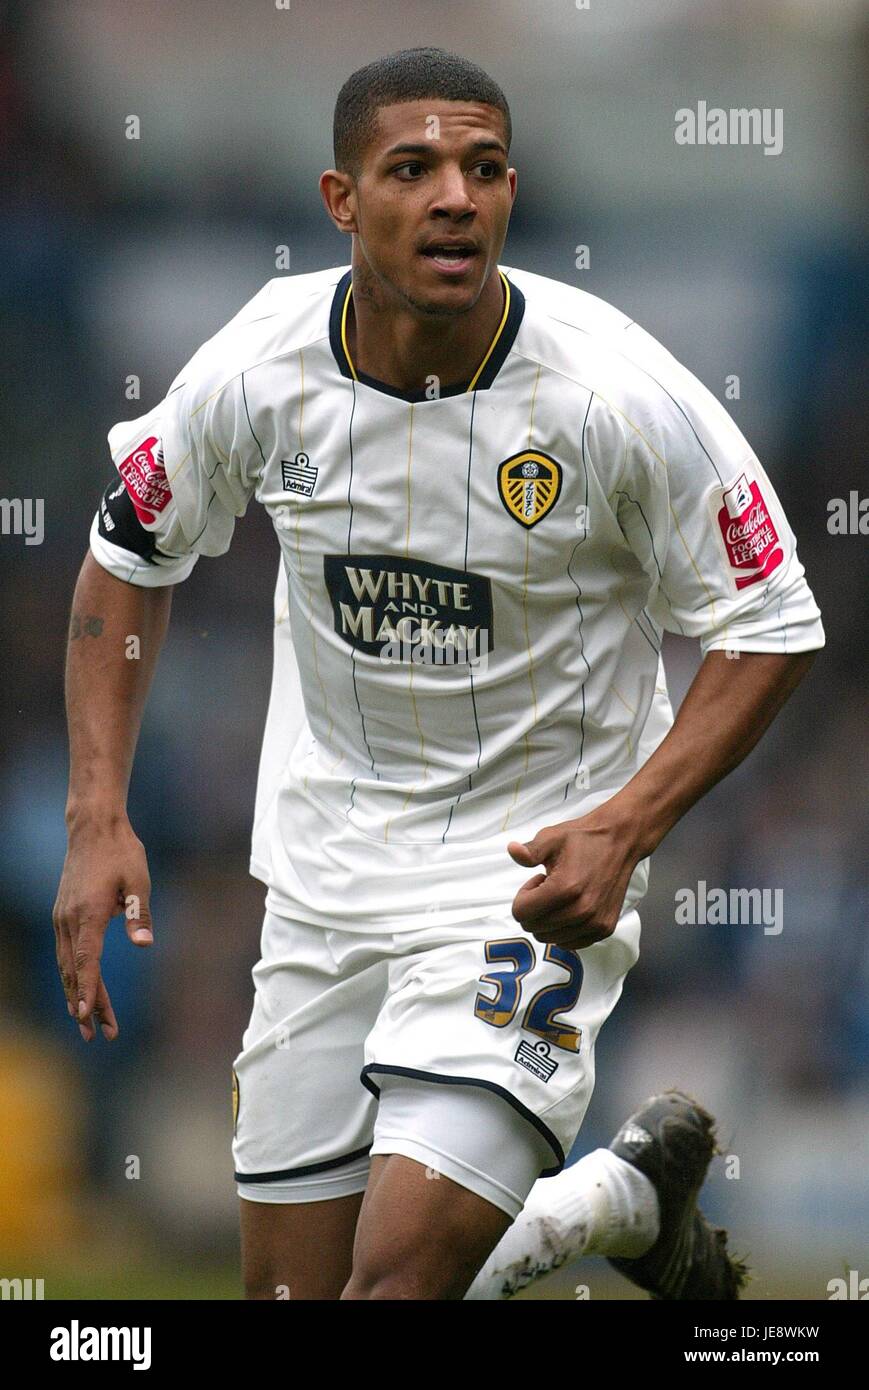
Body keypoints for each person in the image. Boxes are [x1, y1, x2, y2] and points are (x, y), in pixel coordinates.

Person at [53, 47, 823, 1301]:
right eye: (410, 169)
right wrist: (97, 815)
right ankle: (617, 1199)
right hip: (320, 882)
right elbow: (126, 556)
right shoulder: (257, 366)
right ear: (341, 200)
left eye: (482, 168)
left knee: (396, 1284)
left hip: (520, 885)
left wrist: (624, 828)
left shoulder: (614, 394)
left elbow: (772, 620)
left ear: (511, 194)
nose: (454, 196)